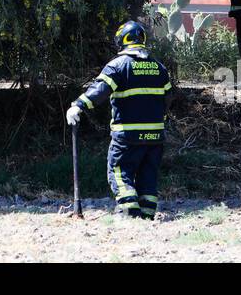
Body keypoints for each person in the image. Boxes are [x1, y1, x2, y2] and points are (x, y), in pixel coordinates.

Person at [65, 20, 171, 219]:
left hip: (127, 135)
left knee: (119, 171)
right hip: (156, 135)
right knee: (148, 175)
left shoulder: (118, 66)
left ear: (121, 40)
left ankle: (129, 213)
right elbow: (168, 99)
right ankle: (147, 215)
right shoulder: (159, 68)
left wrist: (78, 105)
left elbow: (99, 91)